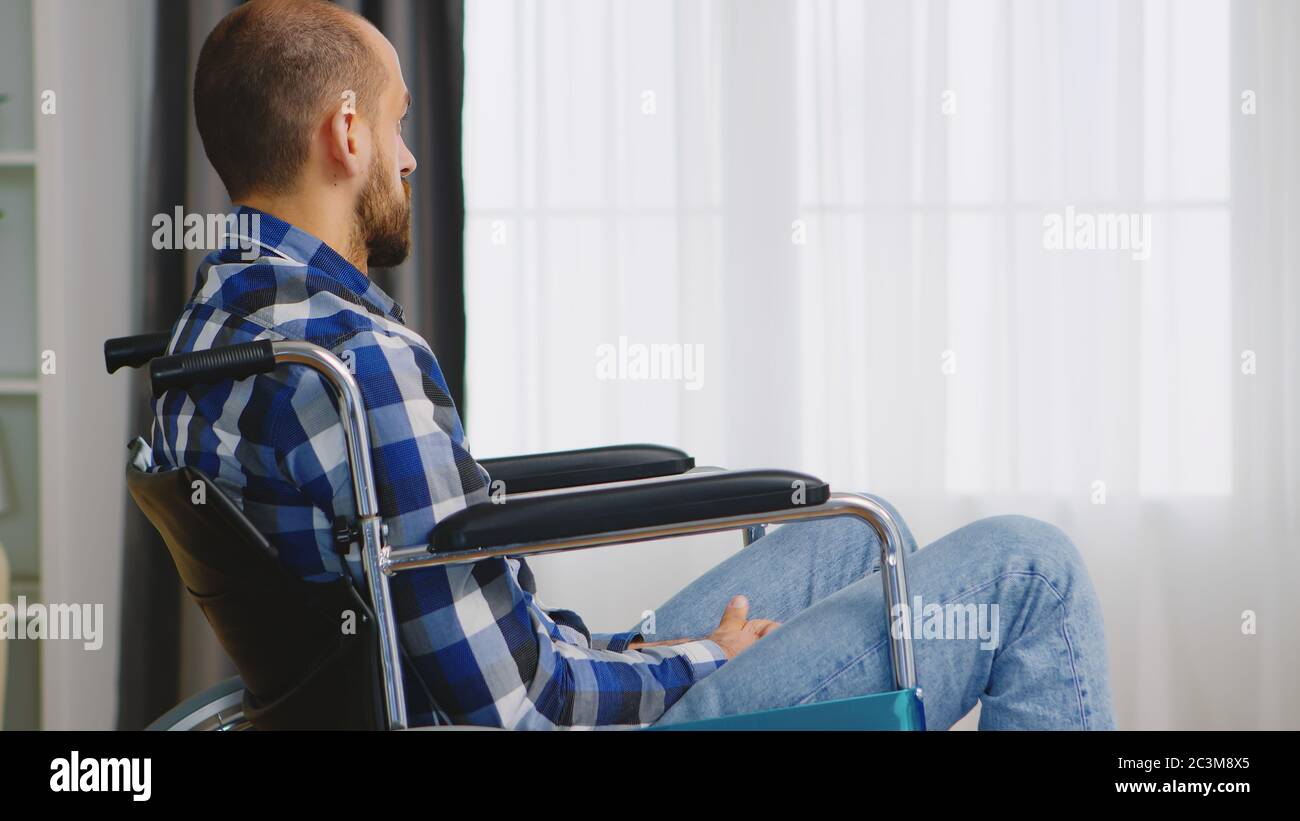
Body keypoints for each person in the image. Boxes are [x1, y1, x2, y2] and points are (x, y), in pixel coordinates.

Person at [155, 0, 1116, 730]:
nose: (407, 159)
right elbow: (518, 711)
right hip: (539, 713)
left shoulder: (205, 339)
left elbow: (451, 629)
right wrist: (700, 658)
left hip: (488, 677)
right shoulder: (361, 364)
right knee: (1035, 566)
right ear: (347, 133)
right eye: (399, 126)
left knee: (870, 542)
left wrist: (638, 646)